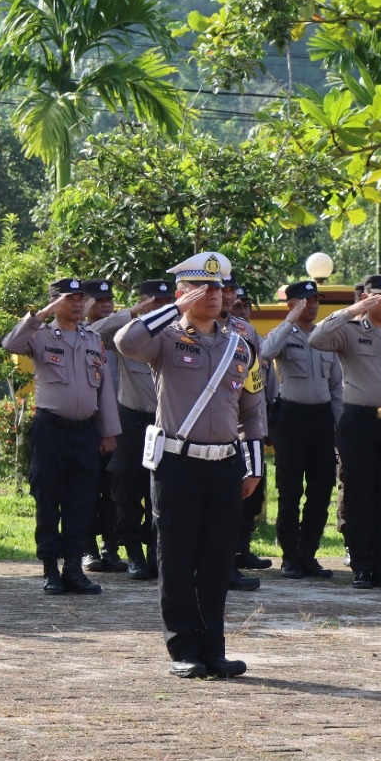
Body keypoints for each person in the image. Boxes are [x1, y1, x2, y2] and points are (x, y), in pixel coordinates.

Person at [115, 251, 265, 680]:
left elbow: (253, 408)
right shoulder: (164, 338)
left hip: (224, 466)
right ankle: (182, 648)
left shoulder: (240, 343)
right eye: (203, 287)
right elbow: (126, 342)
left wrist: (252, 467)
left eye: (219, 288)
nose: (215, 295)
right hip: (177, 463)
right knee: (177, 559)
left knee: (217, 561)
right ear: (183, 292)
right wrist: (174, 310)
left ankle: (214, 649)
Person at [1, 277, 119, 596]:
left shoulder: (93, 339)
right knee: (49, 500)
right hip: (51, 431)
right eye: (71, 298)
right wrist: (40, 314)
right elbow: (9, 343)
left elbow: (104, 387)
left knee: (81, 502)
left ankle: (74, 569)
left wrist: (109, 431)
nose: (79, 303)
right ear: (55, 302)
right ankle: (50, 568)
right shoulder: (39, 335)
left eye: (82, 298)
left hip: (85, 433)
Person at [309, 274, 381, 590]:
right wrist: (352, 311)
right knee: (360, 494)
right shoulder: (348, 331)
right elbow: (317, 339)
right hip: (359, 422)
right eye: (378, 298)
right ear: (365, 297)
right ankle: (361, 565)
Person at [90, 278, 173, 580]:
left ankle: (156, 555)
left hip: (165, 424)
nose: (162, 309)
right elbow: (92, 332)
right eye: (155, 303)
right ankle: (134, 555)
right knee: (127, 491)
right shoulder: (127, 335)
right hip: (132, 422)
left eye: (167, 303)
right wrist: (134, 312)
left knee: (161, 494)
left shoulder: (178, 334)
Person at [261, 279, 342, 579]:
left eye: (316, 300)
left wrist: (338, 425)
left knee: (321, 490)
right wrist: (289, 320)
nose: (313, 305)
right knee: (290, 490)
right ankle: (290, 556)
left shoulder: (325, 337)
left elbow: (336, 386)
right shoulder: (282, 334)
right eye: (305, 300)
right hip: (291, 418)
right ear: (292, 304)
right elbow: (266, 352)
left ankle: (309, 554)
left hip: (321, 420)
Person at [223, 275, 273, 585]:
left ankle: (232, 560)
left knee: (239, 500)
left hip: (239, 428)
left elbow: (256, 388)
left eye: (231, 292)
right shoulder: (182, 328)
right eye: (221, 290)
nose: (228, 298)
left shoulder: (245, 332)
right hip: (194, 432)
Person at [81, 279, 124, 573]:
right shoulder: (82, 335)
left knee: (115, 490)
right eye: (98, 299)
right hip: (85, 424)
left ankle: (111, 547)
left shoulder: (123, 335)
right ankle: (87, 549)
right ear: (85, 303)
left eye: (109, 299)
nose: (106, 303)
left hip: (120, 424)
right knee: (86, 489)